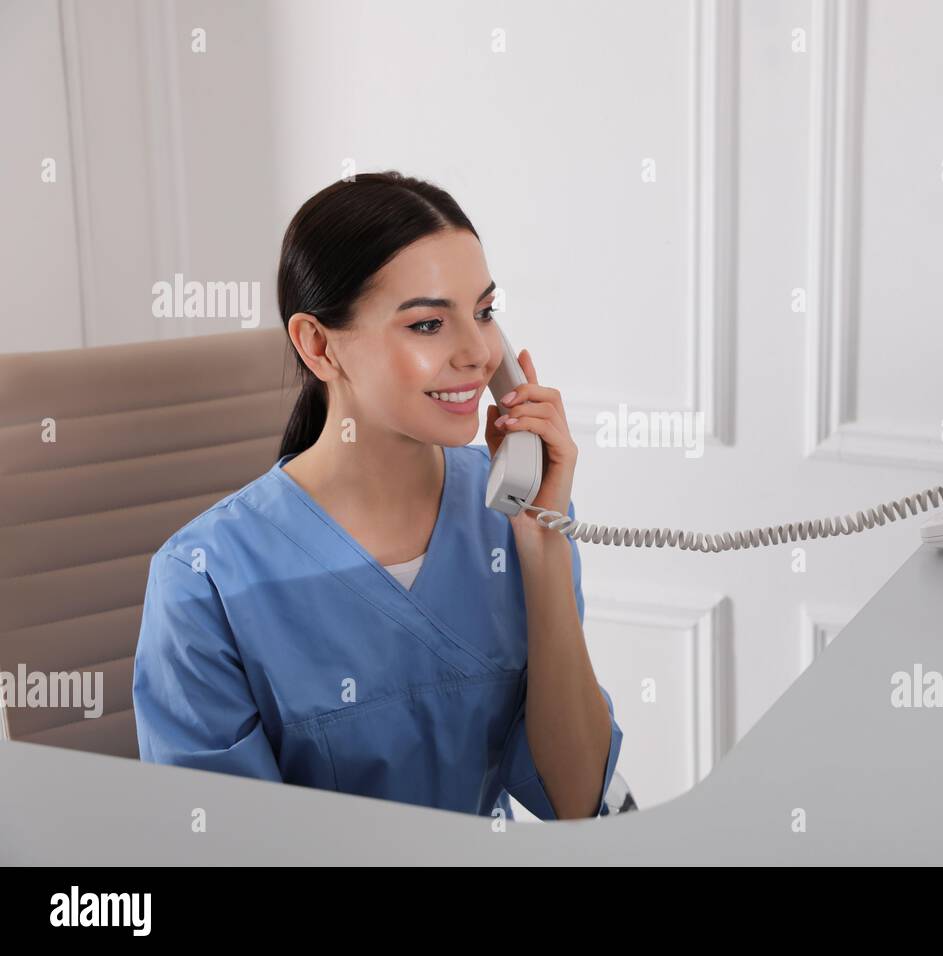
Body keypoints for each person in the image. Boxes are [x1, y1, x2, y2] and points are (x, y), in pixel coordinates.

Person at [133, 171, 622, 820]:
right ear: (318, 345)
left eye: (484, 313)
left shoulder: (516, 517)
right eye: (427, 325)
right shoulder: (202, 582)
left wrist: (542, 542)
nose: (478, 353)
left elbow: (578, 802)